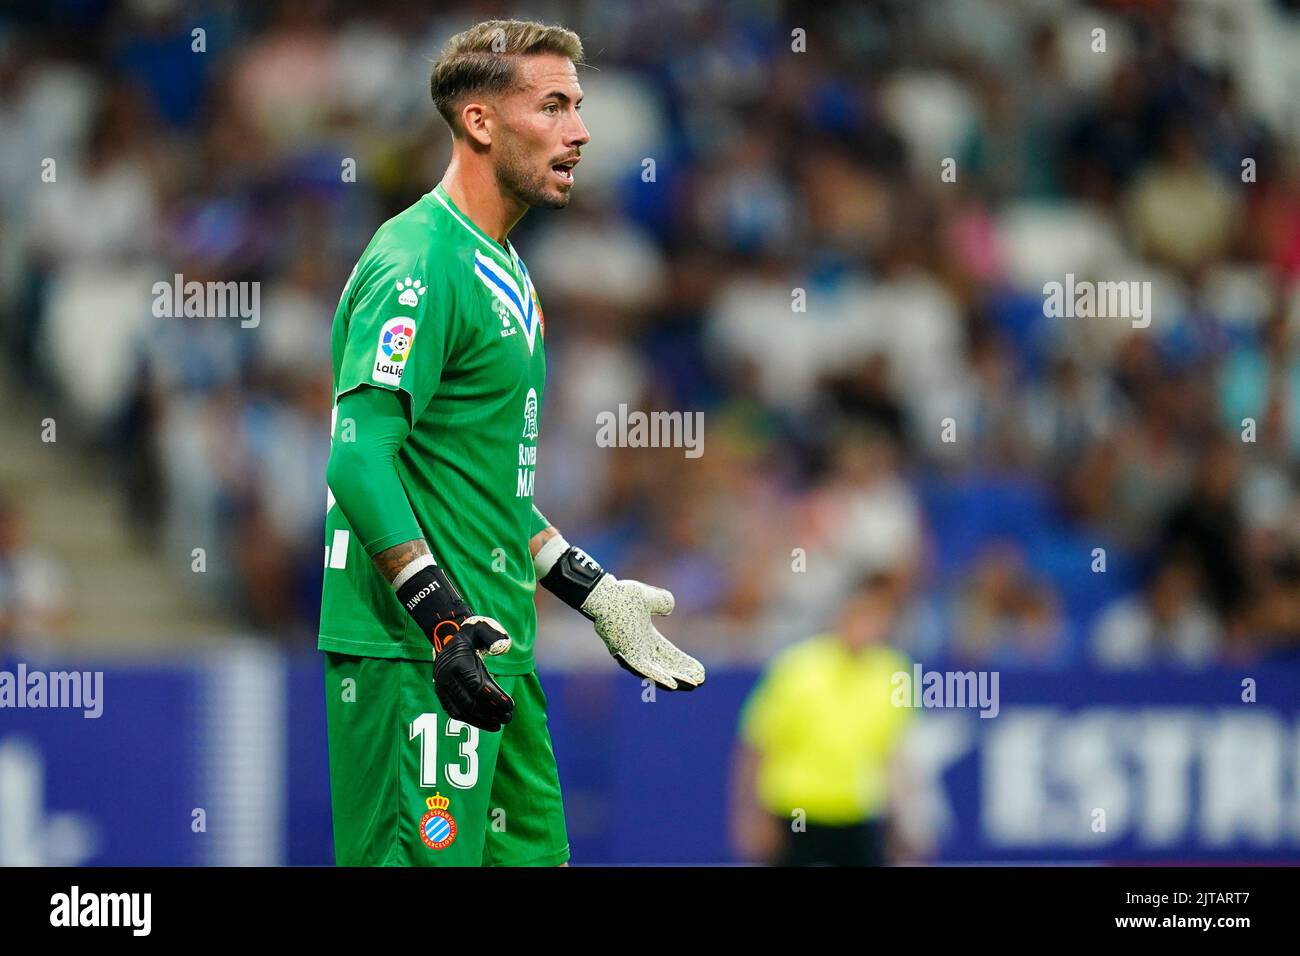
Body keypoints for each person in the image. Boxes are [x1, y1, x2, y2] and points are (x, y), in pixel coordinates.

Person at [318, 19, 705, 868]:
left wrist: (591, 589)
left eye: (580, 106)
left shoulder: (505, 267)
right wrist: (440, 621)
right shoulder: (418, 260)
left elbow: (475, 487)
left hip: (492, 653)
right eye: (555, 105)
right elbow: (357, 455)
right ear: (482, 123)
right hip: (419, 655)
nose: (581, 131)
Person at [731, 573, 920, 866]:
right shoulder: (798, 668)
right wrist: (752, 816)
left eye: (876, 617)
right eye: (860, 615)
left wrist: (907, 822)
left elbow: (893, 755)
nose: (866, 627)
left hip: (858, 814)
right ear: (842, 615)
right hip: (796, 812)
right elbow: (756, 745)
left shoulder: (891, 672)